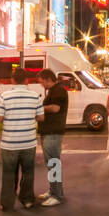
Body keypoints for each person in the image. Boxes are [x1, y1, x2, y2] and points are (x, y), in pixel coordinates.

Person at [0, 68, 44, 211]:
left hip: (9, 143)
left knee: (8, 173)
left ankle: (7, 203)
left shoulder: (5, 96)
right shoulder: (35, 96)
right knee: (28, 173)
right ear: (27, 80)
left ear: (12, 80)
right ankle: (27, 200)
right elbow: (41, 117)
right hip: (28, 142)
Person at [38, 69, 68, 206]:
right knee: (51, 164)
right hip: (48, 131)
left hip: (53, 132)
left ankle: (57, 195)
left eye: (41, 82)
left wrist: (38, 107)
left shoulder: (59, 90)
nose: (41, 85)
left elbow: (55, 108)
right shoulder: (54, 90)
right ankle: (53, 191)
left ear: (47, 79)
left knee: (53, 164)